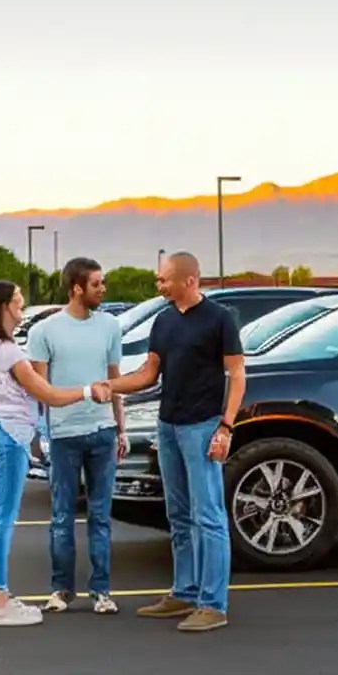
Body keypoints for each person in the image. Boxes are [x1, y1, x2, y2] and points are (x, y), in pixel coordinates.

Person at [103, 251, 246, 633]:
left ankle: (213, 605)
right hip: (167, 428)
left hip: (202, 428)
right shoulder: (163, 321)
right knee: (179, 516)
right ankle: (184, 593)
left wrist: (225, 427)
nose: (158, 285)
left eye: (164, 279)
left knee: (209, 516)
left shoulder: (219, 319)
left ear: (189, 281)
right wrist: (110, 386)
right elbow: (149, 373)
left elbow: (237, 375)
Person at [0, 279, 111, 627]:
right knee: (2, 520)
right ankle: (0, 600)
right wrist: (87, 391)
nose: (22, 307)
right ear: (3, 306)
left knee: (1, 518)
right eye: (18, 302)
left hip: (5, 435)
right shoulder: (8, 352)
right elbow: (46, 394)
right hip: (7, 438)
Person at [25, 257, 128, 615]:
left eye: (103, 282)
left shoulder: (110, 327)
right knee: (61, 516)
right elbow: (39, 389)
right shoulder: (44, 332)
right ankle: (61, 590)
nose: (103, 289)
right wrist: (40, 435)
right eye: (97, 284)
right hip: (64, 435)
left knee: (100, 516)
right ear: (76, 289)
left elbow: (114, 380)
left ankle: (101, 591)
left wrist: (121, 429)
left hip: (102, 433)